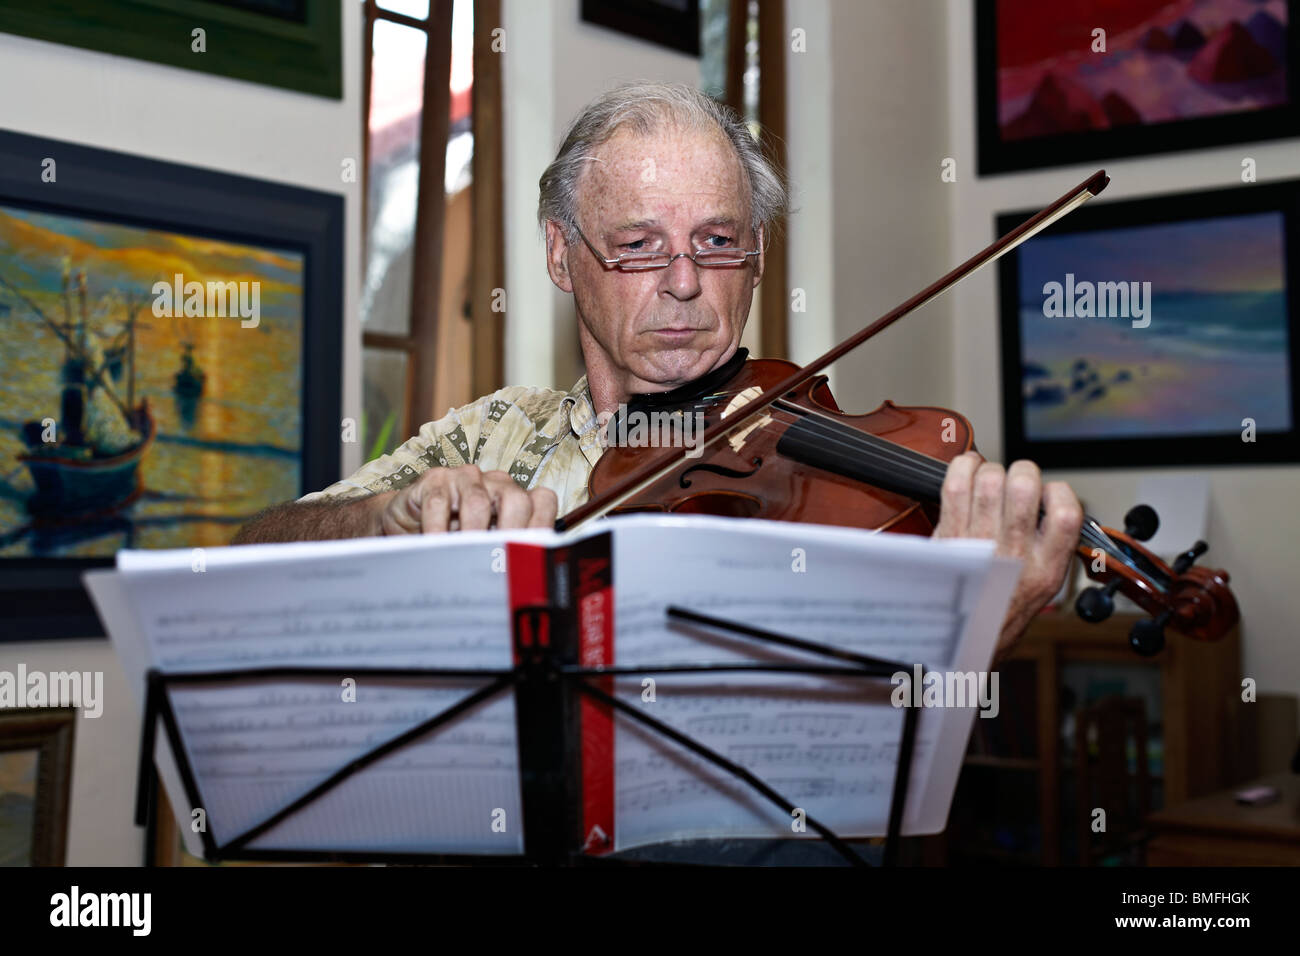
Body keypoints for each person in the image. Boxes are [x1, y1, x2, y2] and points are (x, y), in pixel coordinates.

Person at [234, 82, 1083, 655]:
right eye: (641, 246)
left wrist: (967, 636)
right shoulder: (493, 434)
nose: (684, 282)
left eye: (718, 242)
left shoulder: (830, 481)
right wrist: (388, 516)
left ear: (755, 260)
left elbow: (847, 770)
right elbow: (250, 557)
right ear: (563, 258)